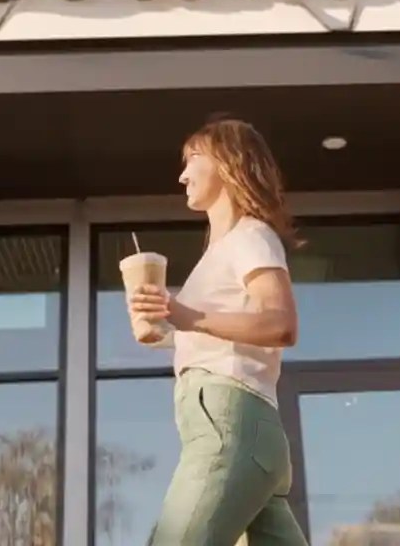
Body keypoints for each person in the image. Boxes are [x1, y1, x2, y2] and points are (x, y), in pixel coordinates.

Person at [128, 116, 310, 546]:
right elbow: (216, 330)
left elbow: (281, 323)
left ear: (228, 164)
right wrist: (167, 324)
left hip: (231, 423)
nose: (182, 174)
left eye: (192, 158)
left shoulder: (251, 235)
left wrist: (187, 316)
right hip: (243, 430)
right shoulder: (219, 251)